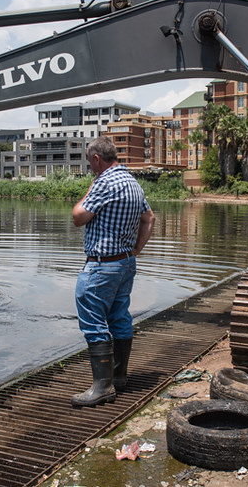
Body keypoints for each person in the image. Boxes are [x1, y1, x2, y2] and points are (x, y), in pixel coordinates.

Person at [70, 137, 156, 407]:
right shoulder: (132, 182)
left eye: (89, 162)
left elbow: (78, 217)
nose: (90, 167)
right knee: (119, 317)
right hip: (125, 263)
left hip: (102, 265)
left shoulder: (104, 182)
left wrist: (90, 187)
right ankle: (119, 377)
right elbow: (149, 218)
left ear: (96, 159)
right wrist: (135, 251)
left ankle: (102, 387)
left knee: (94, 321)